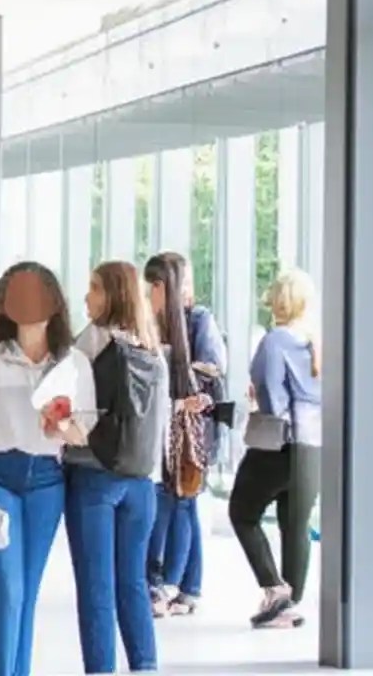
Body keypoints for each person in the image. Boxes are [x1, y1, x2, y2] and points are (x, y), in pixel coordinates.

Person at [0, 262, 94, 676]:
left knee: (25, 597)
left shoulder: (73, 362)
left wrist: (59, 423)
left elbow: (82, 433)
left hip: (46, 482)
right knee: (2, 594)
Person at [67, 261, 169, 673]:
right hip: (141, 484)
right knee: (133, 586)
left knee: (96, 590)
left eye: (93, 288)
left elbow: (71, 413)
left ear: (112, 294)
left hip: (93, 477)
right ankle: (145, 666)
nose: (85, 297)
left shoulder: (90, 342)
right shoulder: (151, 348)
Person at [229, 269, 321, 629]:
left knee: (242, 511)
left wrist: (265, 403)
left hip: (278, 442)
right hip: (314, 445)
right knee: (295, 524)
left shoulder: (275, 341)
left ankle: (273, 588)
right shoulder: (316, 340)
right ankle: (290, 603)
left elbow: (268, 390)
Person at [144, 252, 217, 617]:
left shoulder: (198, 319)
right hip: (164, 422)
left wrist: (179, 372)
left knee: (182, 500)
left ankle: (172, 583)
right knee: (177, 500)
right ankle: (186, 586)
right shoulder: (153, 321)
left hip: (190, 429)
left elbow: (212, 370)